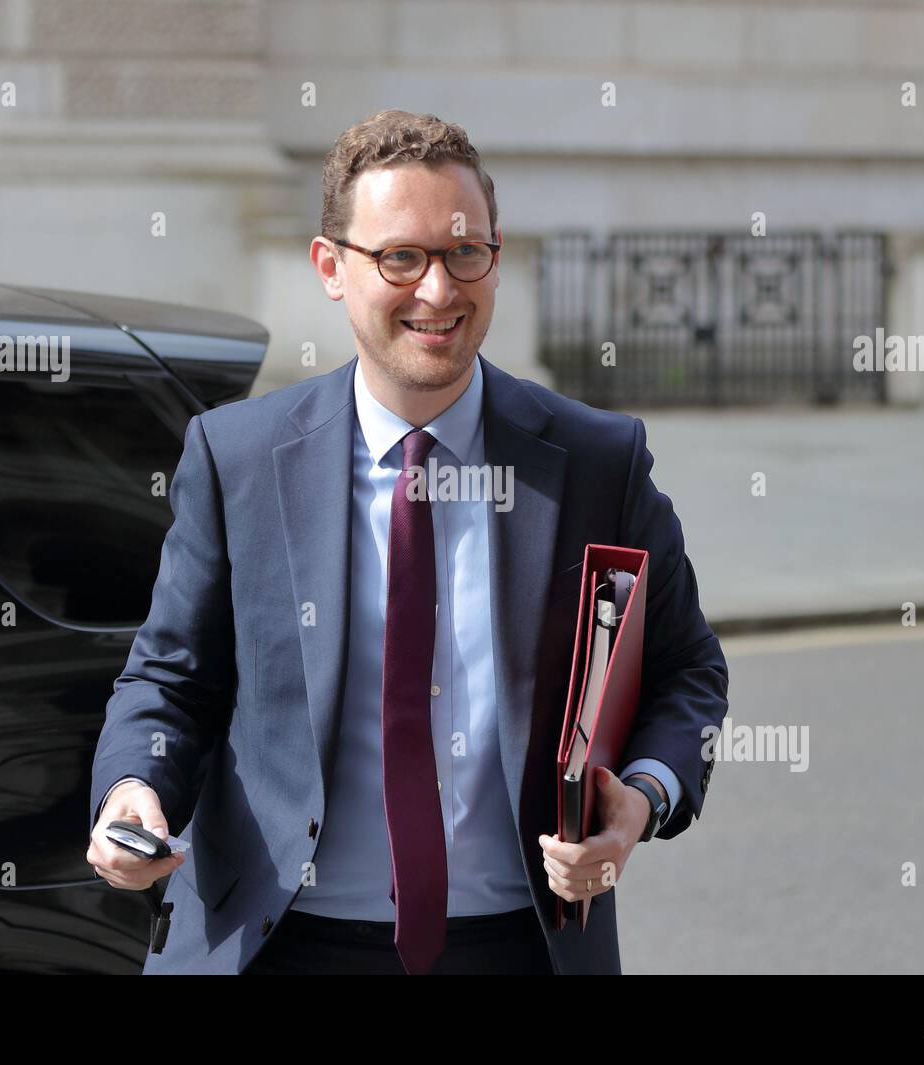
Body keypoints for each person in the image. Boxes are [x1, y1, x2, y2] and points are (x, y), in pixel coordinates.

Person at [87, 109, 729, 975]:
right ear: (330, 267)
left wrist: (643, 798)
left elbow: (687, 670)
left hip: (517, 947)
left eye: (465, 253)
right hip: (276, 944)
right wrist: (137, 791)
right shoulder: (237, 457)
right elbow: (170, 678)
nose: (439, 291)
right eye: (401, 257)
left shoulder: (593, 462)